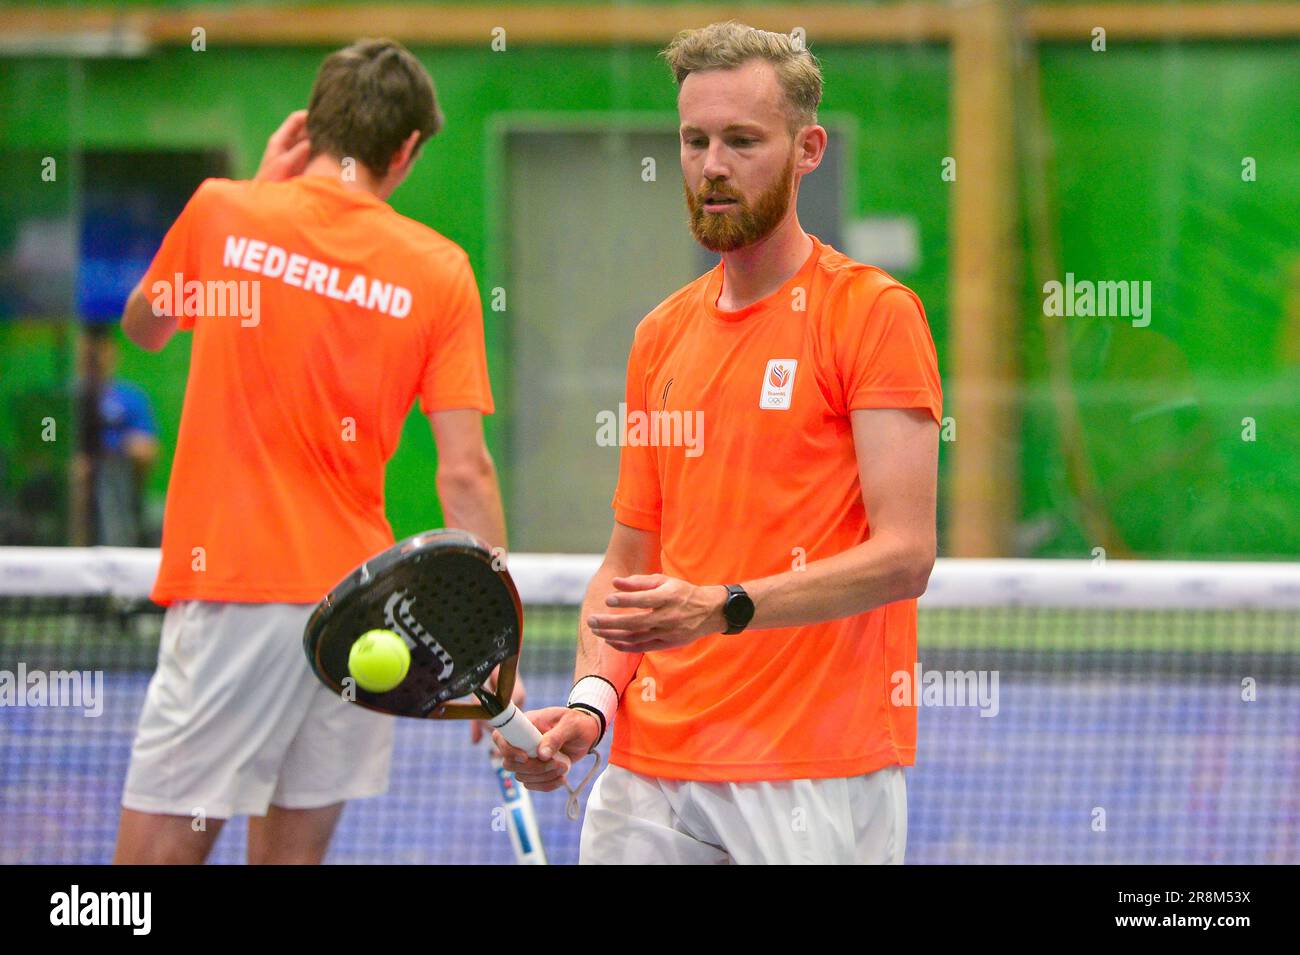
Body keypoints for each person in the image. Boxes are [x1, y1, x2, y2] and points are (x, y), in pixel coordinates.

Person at [497, 22, 943, 864]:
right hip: (650, 772)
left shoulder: (873, 315)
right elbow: (630, 561)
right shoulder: (659, 336)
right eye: (694, 140)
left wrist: (720, 606)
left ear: (807, 150)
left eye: (742, 140)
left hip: (810, 773)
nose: (711, 165)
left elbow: (906, 555)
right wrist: (592, 702)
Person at [113, 38, 513, 864]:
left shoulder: (225, 212)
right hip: (358, 615)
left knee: (152, 864)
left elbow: (144, 327)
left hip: (234, 590)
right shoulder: (440, 270)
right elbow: (465, 470)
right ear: (405, 149)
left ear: (311, 128)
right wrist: (492, 644)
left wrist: (260, 194)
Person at [72, 327, 160, 546]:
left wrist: (114, 450)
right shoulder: (65, 400)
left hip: (115, 476)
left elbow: (146, 449)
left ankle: (115, 546)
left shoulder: (130, 398)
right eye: (87, 351)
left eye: (100, 350)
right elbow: (47, 438)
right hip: (73, 481)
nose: (93, 357)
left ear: (112, 353)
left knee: (107, 475)